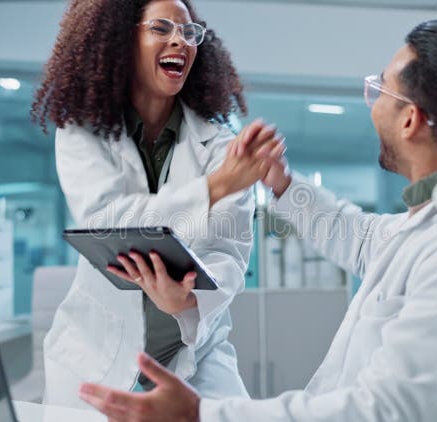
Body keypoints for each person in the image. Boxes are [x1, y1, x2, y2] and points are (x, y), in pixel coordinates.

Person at [78, 17, 437, 421]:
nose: (372, 103)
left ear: (410, 119)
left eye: (380, 90)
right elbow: (356, 235)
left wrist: (202, 415)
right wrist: (282, 184)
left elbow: (388, 409)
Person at [31, 0, 283, 407]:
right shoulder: (82, 130)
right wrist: (214, 187)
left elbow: (229, 252)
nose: (179, 41)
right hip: (96, 354)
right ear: (121, 40)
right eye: (161, 28)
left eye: (188, 32)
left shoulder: (220, 146)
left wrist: (189, 302)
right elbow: (106, 221)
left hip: (194, 355)